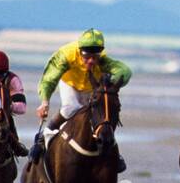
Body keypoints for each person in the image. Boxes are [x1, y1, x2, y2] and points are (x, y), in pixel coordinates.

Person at [31, 28, 132, 170]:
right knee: (71, 108)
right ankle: (44, 136)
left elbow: (125, 71)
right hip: (69, 84)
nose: (91, 60)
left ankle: (113, 151)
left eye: (95, 56)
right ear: (80, 51)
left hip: (91, 87)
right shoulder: (66, 55)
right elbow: (49, 79)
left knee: (101, 114)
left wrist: (109, 84)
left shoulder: (102, 59)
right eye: (87, 56)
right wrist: (45, 102)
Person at [0, 49, 29, 157]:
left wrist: (8, 106)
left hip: (2, 114)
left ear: (6, 73)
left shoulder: (12, 80)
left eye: (1, 75)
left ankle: (16, 145)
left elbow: (22, 107)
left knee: (6, 119)